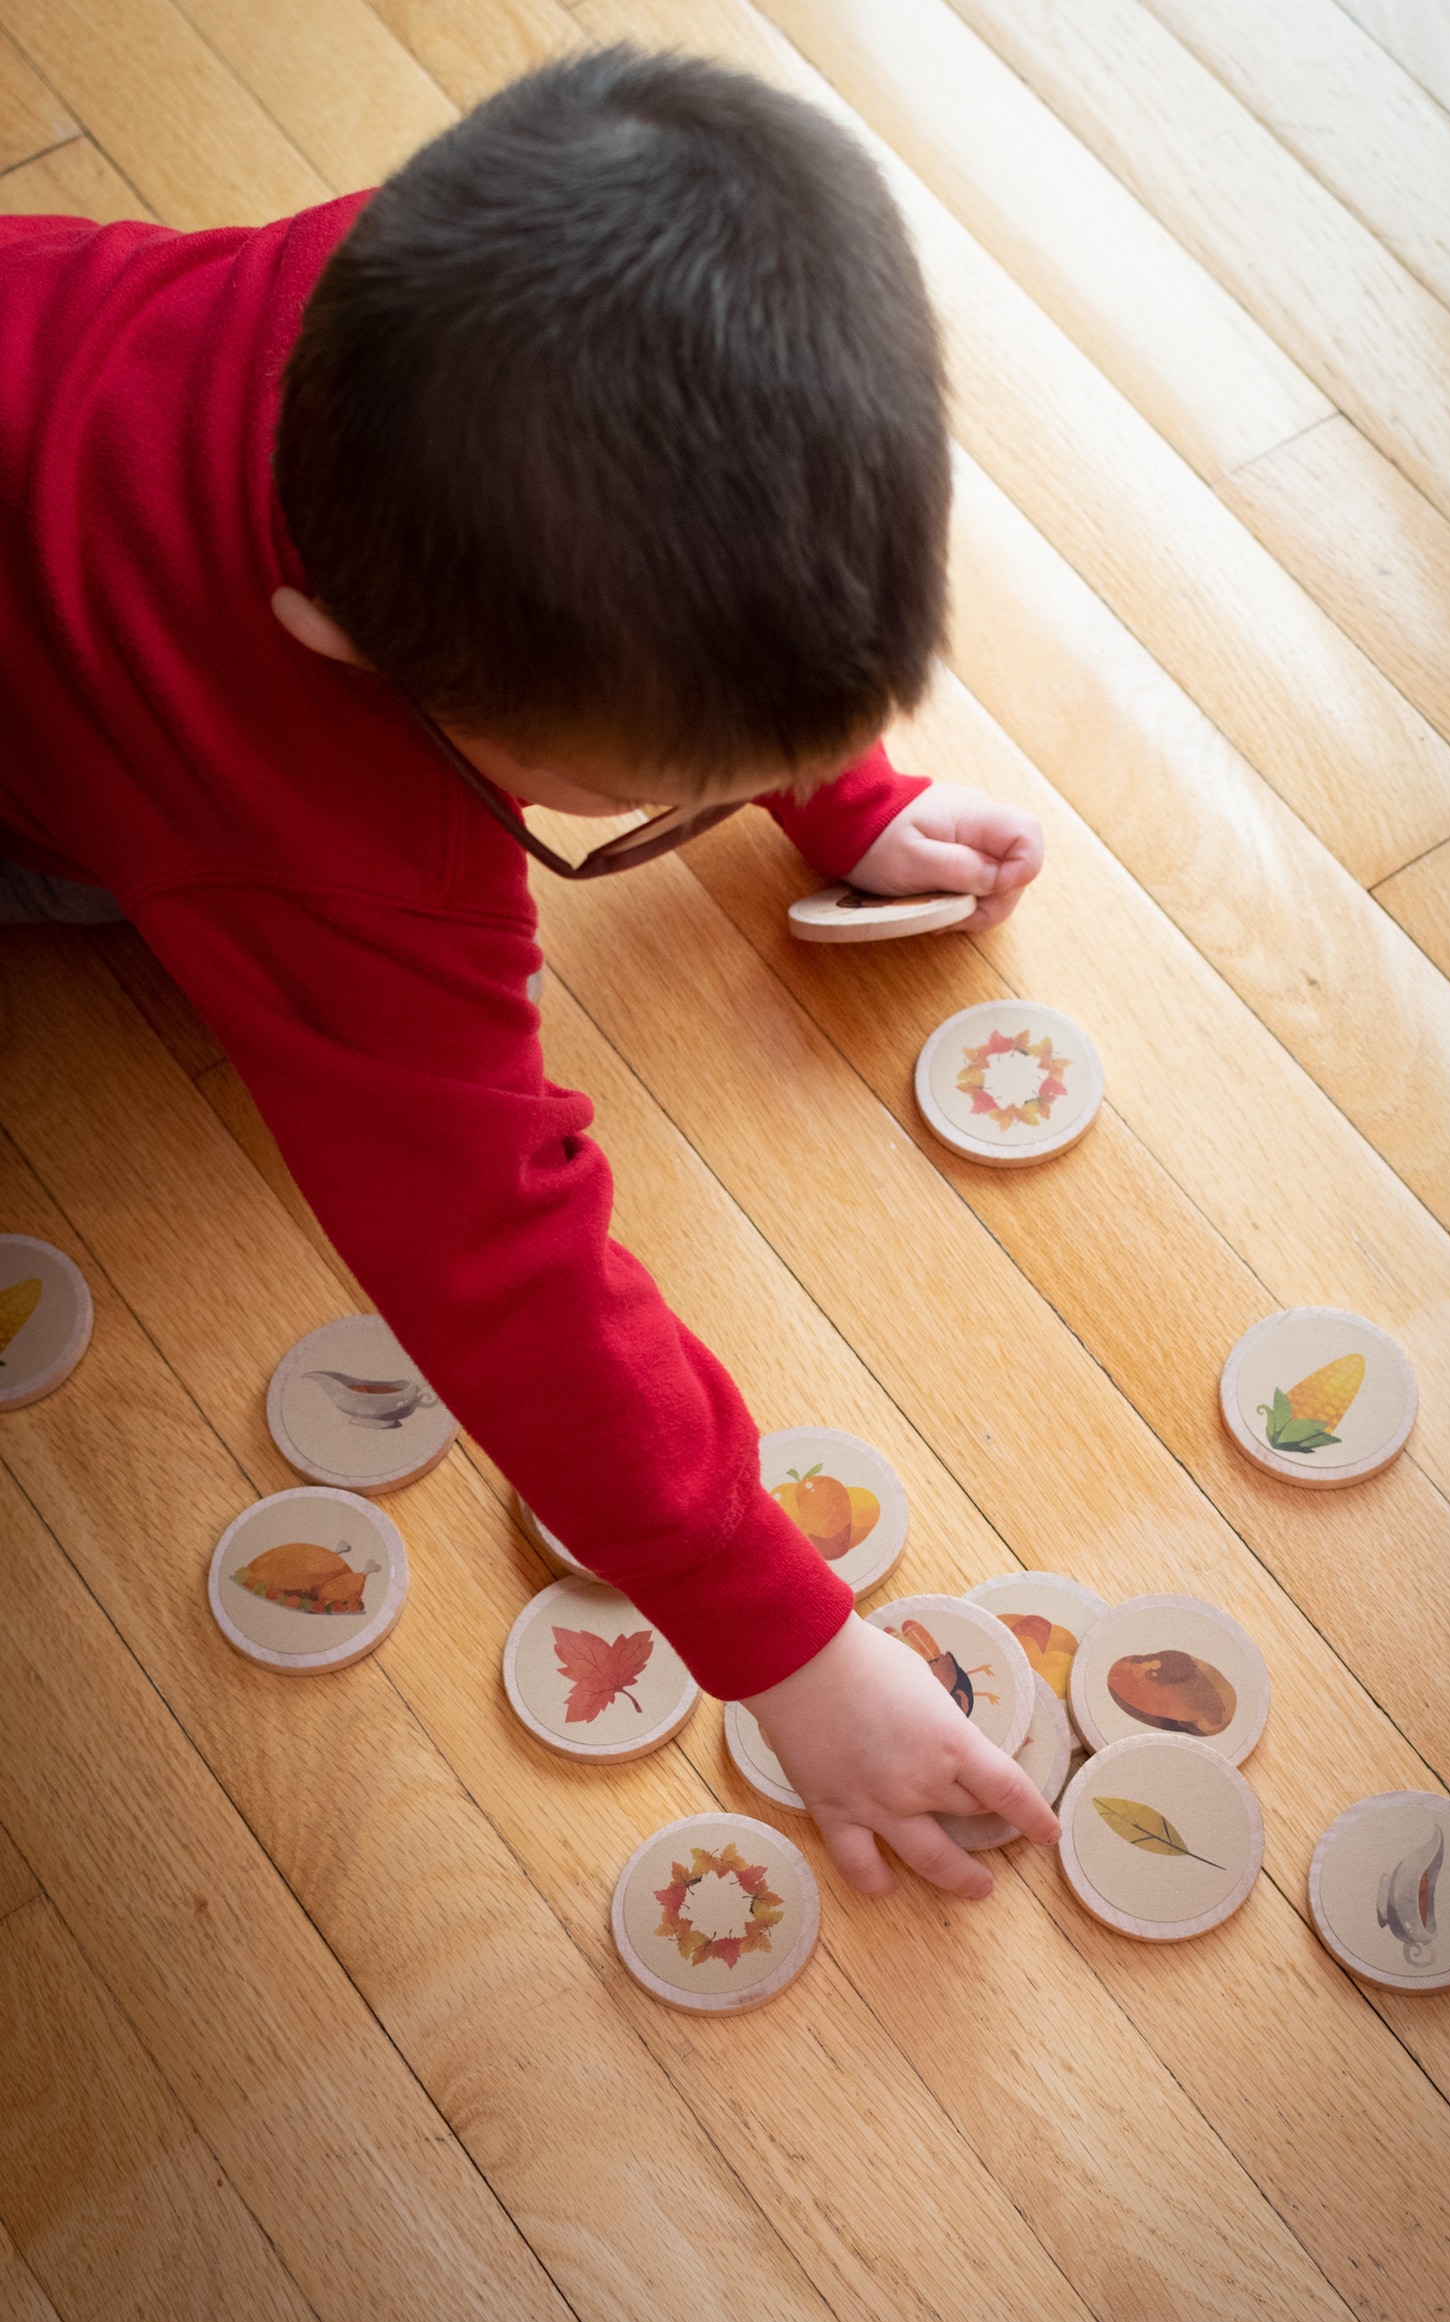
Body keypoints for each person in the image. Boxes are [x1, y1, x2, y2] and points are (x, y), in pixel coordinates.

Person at [0, 44, 1054, 1895]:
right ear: (341, 648)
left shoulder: (439, 313)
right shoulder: (338, 854)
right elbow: (496, 1259)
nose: (693, 800)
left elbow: (710, 551)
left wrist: (844, 790)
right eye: (634, 802)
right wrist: (791, 1646)